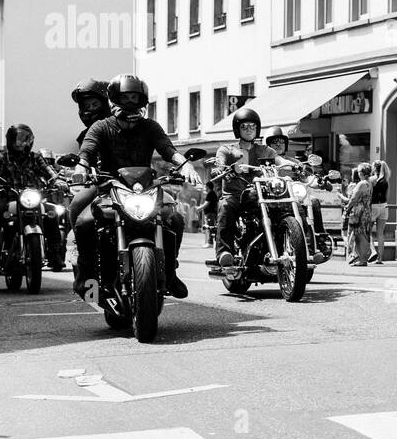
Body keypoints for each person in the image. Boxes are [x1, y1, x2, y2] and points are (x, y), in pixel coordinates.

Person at [73, 74, 201, 299]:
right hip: (110, 189)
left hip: (145, 189)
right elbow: (88, 149)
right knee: (84, 222)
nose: (130, 103)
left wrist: (185, 165)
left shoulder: (150, 127)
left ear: (142, 101)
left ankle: (170, 273)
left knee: (176, 219)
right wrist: (82, 167)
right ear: (114, 100)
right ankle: (87, 277)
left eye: (135, 97)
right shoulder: (101, 127)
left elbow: (167, 149)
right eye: (125, 98)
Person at [212, 107, 292, 268]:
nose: (249, 130)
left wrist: (294, 166)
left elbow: (279, 160)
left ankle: (295, 246)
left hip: (258, 194)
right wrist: (221, 168)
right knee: (225, 207)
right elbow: (218, 164)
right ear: (237, 129)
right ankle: (224, 252)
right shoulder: (227, 149)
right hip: (235, 195)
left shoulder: (265, 150)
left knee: (283, 207)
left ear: (257, 128)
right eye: (244, 127)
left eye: (252, 127)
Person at [0, 125, 59, 270]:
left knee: (52, 213)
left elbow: (49, 172)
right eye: (18, 139)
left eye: (25, 139)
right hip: (8, 197)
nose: (21, 143)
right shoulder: (2, 158)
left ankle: (54, 252)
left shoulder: (36, 157)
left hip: (32, 197)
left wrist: (57, 181)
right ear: (10, 141)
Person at [69, 79, 111, 282]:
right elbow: (84, 157)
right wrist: (81, 169)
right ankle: (82, 257)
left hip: (135, 185)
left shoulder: (130, 125)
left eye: (94, 104)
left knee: (170, 215)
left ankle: (168, 270)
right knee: (76, 206)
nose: (88, 110)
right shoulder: (86, 135)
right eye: (85, 106)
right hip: (102, 184)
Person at [345, 163, 373, 266]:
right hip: (367, 211)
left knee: (359, 235)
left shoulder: (361, 184)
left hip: (359, 212)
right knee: (363, 235)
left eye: (359, 172)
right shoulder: (369, 183)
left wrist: (347, 209)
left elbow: (353, 198)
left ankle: (362, 259)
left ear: (361, 173)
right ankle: (362, 258)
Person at [368, 160, 389, 264]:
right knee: (380, 234)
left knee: (368, 231)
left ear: (374, 168)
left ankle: (372, 252)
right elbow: (387, 196)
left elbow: (369, 194)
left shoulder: (371, 179)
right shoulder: (386, 180)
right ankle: (380, 259)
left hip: (373, 206)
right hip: (384, 206)